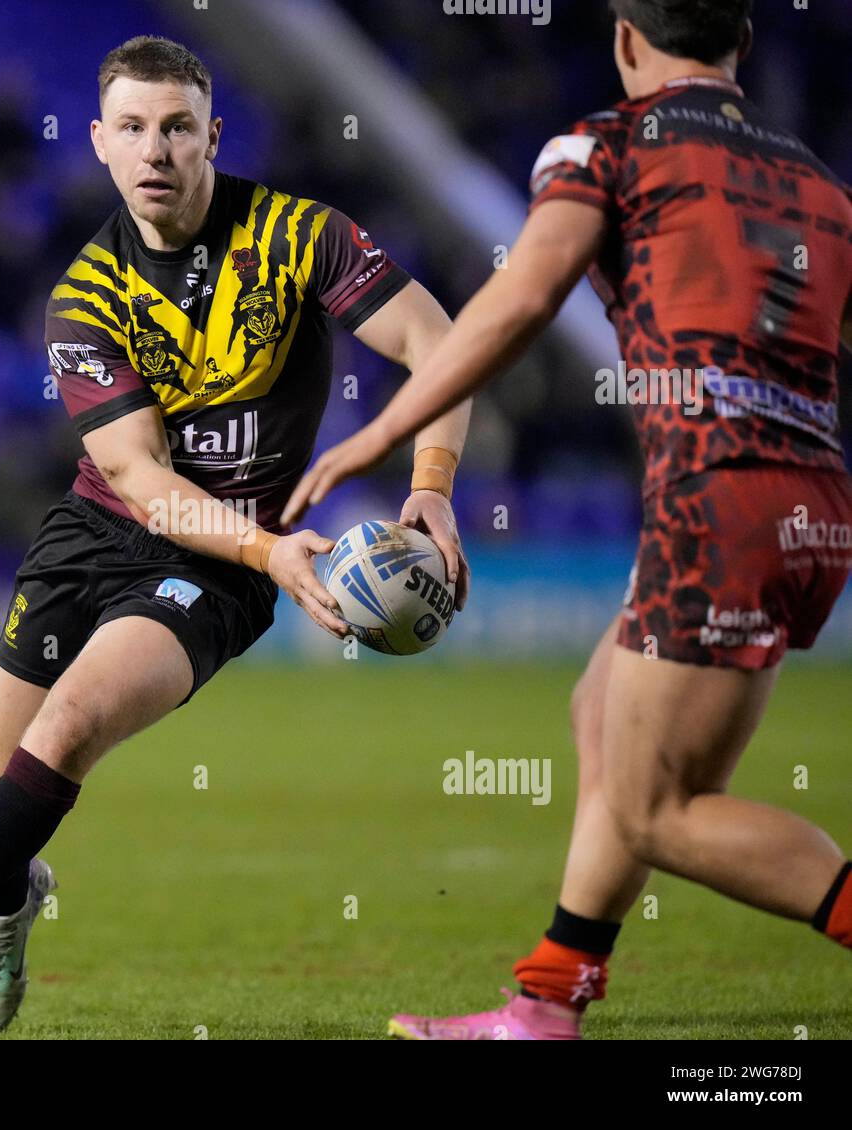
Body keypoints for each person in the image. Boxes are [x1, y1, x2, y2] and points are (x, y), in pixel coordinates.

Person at [0, 35, 472, 1032]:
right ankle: (9, 903)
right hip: (101, 533)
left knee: (63, 732)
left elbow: (439, 344)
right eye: (133, 129)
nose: (155, 149)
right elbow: (142, 480)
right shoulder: (84, 295)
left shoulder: (298, 235)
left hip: (219, 565)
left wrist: (433, 485)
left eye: (177, 128)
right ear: (100, 143)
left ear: (212, 135)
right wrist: (274, 548)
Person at [283, 0, 852, 1040]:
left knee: (657, 808)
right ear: (742, 47)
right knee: (601, 711)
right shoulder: (817, 184)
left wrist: (387, 434)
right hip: (809, 500)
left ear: (627, 40)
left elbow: (520, 298)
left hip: (714, 495)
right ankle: (541, 1007)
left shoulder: (605, 143)